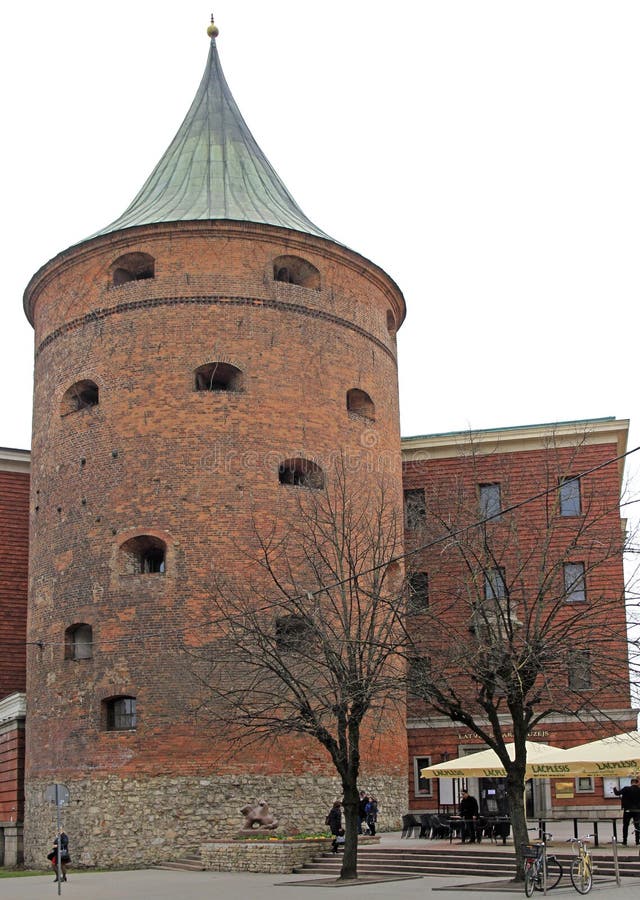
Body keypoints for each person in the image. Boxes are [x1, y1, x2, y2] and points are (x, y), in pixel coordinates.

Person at [614, 777, 640, 845]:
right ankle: (637, 841)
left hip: (627, 811)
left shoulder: (626, 788)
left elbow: (617, 793)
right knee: (637, 826)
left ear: (631, 783)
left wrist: (614, 788)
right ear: (637, 783)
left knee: (625, 825)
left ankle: (624, 841)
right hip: (637, 811)